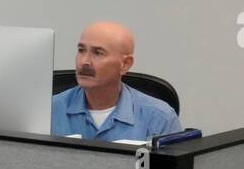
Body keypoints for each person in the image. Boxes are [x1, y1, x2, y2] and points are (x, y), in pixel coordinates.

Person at [50, 22, 181, 141]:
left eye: (98, 53)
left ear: (125, 64)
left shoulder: (159, 117)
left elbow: (167, 167)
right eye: (81, 50)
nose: (84, 61)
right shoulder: (49, 111)